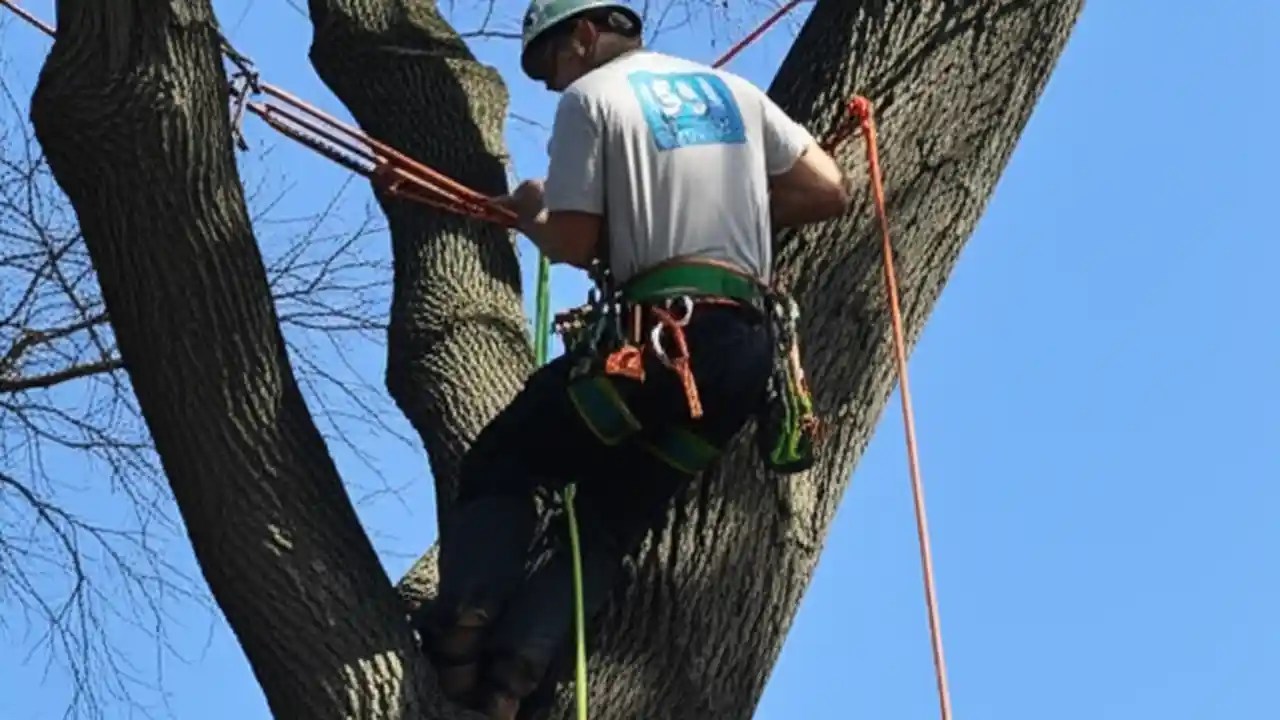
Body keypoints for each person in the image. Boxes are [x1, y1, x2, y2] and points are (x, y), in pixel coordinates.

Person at [416, 1, 851, 717]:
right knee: (607, 521)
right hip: (742, 361)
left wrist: (532, 212)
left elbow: (575, 242)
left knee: (505, 459)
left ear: (584, 36)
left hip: (659, 343)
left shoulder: (593, 97)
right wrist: (721, 208)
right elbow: (826, 189)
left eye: (553, 64)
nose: (554, 86)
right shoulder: (736, 95)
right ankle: (514, 679)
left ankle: (465, 623)